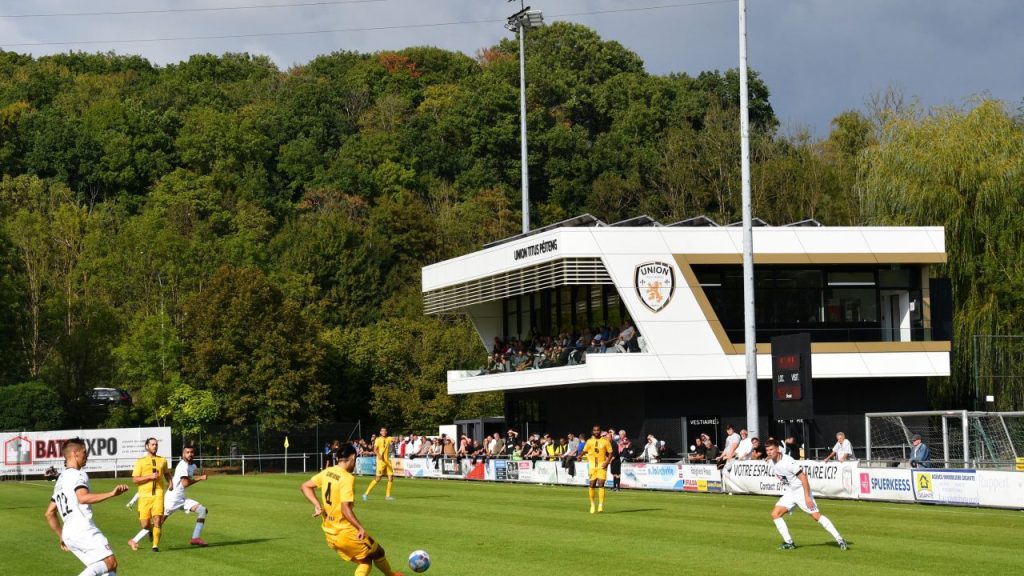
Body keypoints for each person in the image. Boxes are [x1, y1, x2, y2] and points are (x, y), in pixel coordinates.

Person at [301, 443, 405, 576]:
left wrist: (317, 504)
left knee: (365, 560)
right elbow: (345, 508)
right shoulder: (347, 478)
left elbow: (305, 486)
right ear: (353, 457)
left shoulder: (327, 472)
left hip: (329, 531)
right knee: (378, 552)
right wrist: (360, 527)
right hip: (345, 532)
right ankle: (390, 575)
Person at [45, 438, 129, 576]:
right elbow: (83, 498)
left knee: (108, 571)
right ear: (74, 453)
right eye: (84, 452)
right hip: (83, 528)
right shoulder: (79, 474)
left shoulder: (60, 480)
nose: (87, 455)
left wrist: (62, 536)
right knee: (110, 563)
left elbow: (49, 513)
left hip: (69, 533)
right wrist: (111, 493)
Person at [765, 438, 847, 551]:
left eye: (771, 449)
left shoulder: (788, 462)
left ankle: (840, 539)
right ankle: (789, 543)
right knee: (775, 514)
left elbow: (803, 477)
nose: (769, 452)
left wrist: (807, 497)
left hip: (800, 491)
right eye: (767, 450)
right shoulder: (771, 459)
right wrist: (768, 457)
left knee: (816, 516)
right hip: (790, 492)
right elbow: (771, 459)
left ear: (778, 449)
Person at [158, 445, 210, 548]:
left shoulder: (192, 465)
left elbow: (188, 476)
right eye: (187, 452)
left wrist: (198, 475)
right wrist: (200, 478)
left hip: (181, 498)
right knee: (159, 521)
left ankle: (195, 538)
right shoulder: (183, 466)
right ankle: (136, 539)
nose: (190, 454)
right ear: (183, 454)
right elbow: (185, 483)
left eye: (191, 452)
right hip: (173, 499)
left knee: (203, 510)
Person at [128, 437, 171, 552]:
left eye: (156, 444)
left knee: (157, 519)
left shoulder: (162, 460)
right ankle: (150, 530)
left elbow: (167, 473)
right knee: (145, 525)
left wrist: (170, 482)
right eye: (152, 444)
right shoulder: (140, 461)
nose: (155, 446)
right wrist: (150, 477)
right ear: (147, 446)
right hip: (144, 496)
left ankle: (155, 546)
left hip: (158, 494)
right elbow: (135, 480)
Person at [581, 425, 613, 513]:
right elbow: (585, 450)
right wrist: (579, 455)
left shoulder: (605, 441)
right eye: (595, 430)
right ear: (592, 431)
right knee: (591, 485)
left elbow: (610, 453)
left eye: (598, 430)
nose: (596, 432)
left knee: (601, 484)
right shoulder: (589, 441)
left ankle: (600, 505)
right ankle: (592, 504)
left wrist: (607, 462)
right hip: (592, 466)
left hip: (601, 465)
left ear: (600, 431)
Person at [363, 427, 395, 501]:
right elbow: (375, 449)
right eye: (382, 431)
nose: (384, 432)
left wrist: (395, 439)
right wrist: (379, 455)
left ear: (386, 432)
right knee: (378, 479)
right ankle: (366, 494)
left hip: (387, 461)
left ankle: (387, 496)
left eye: (385, 431)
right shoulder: (378, 439)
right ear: (380, 432)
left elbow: (394, 439)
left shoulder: (389, 438)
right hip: (380, 462)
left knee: (391, 478)